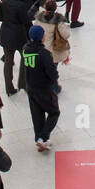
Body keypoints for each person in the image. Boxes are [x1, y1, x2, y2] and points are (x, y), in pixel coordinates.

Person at [22, 24, 61, 153]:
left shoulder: (25, 49)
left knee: (37, 115)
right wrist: (54, 79)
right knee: (54, 112)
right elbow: (52, 73)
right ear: (41, 37)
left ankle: (40, 139)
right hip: (44, 89)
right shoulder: (44, 54)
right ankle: (43, 137)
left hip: (31, 88)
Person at [0, 0, 34, 96]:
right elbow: (26, 21)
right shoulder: (21, 4)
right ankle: (23, 83)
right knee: (26, 58)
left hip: (5, 34)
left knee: (8, 62)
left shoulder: (5, 0)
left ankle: (9, 88)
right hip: (19, 36)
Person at [34, 0, 71, 67]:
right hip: (54, 51)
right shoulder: (58, 20)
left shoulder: (39, 18)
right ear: (55, 8)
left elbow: (34, 30)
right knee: (52, 70)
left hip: (40, 49)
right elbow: (66, 35)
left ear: (45, 7)